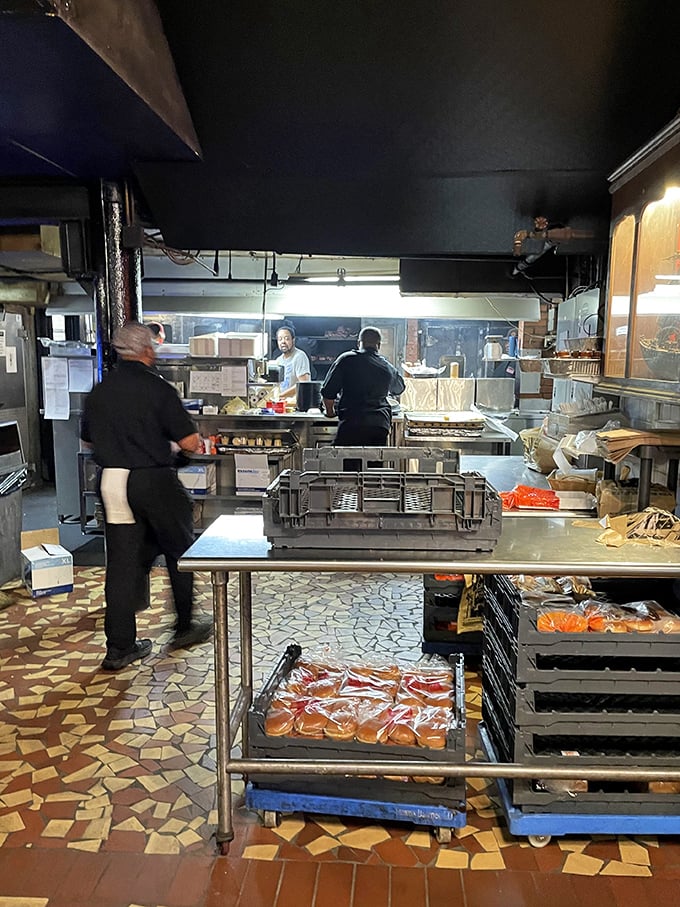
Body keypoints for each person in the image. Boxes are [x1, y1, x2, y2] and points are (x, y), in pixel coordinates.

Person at [81, 322, 212, 671]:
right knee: (180, 551)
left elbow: (88, 441)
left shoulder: (99, 391)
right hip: (154, 481)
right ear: (147, 351)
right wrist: (169, 443)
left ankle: (119, 647)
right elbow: (189, 443)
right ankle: (184, 627)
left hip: (112, 481)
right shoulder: (158, 389)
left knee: (121, 565)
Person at [321, 326, 405, 445]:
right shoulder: (386, 366)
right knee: (374, 461)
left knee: (344, 460)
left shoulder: (346, 359)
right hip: (379, 426)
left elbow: (328, 393)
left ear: (358, 343)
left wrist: (330, 412)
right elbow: (399, 388)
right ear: (379, 345)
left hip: (351, 424)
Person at [273, 324, 311, 400]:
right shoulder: (278, 360)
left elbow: (303, 384)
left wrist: (280, 396)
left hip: (297, 404)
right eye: (280, 339)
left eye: (286, 338)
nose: (283, 342)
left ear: (293, 340)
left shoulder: (300, 356)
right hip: (282, 404)